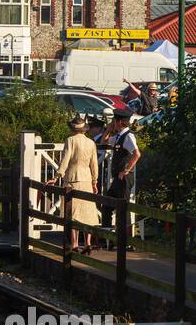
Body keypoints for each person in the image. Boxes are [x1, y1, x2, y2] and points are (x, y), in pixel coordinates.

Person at [56, 115, 100, 254]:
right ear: (84, 129)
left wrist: (58, 174)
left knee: (73, 213)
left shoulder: (70, 140)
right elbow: (94, 164)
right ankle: (87, 243)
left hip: (72, 178)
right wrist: (95, 181)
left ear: (73, 128)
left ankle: (75, 243)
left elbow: (66, 158)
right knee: (88, 212)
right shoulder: (91, 143)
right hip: (87, 179)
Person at [103, 107, 141, 231]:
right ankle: (108, 237)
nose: (112, 123)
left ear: (119, 122)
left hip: (124, 177)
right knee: (107, 205)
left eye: (114, 120)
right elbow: (105, 141)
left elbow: (137, 154)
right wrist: (108, 130)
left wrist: (127, 169)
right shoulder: (119, 136)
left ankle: (125, 240)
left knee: (122, 209)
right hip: (117, 178)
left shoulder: (128, 136)